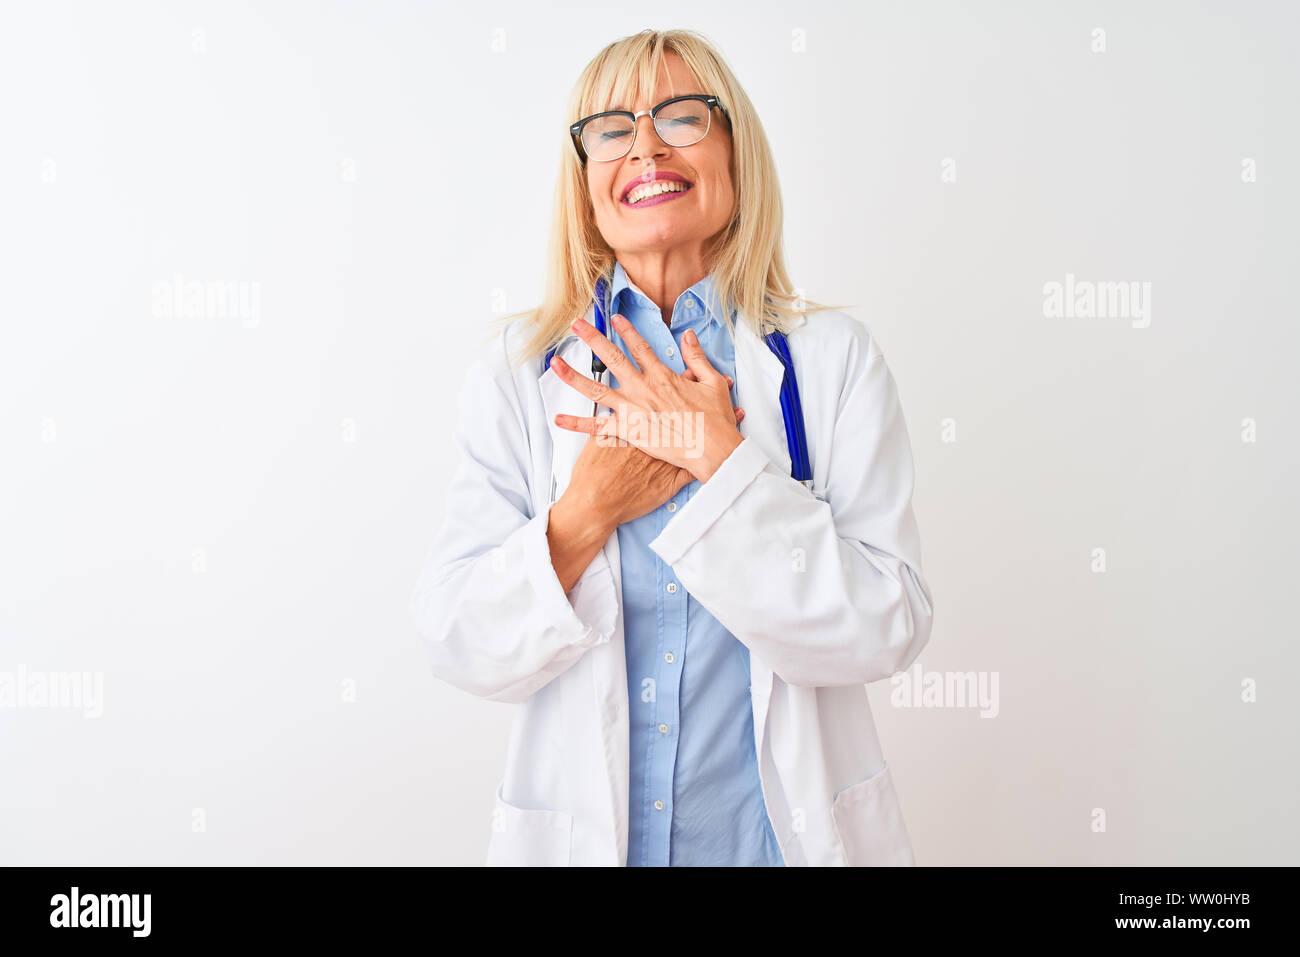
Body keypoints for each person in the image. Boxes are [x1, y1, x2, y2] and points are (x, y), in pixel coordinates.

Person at [410, 28, 935, 866]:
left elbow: (888, 625)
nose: (646, 145)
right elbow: (459, 639)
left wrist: (721, 465)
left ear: (735, 152)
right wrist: (588, 510)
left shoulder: (831, 361)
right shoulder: (517, 374)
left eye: (682, 116)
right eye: (613, 129)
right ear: (586, 184)